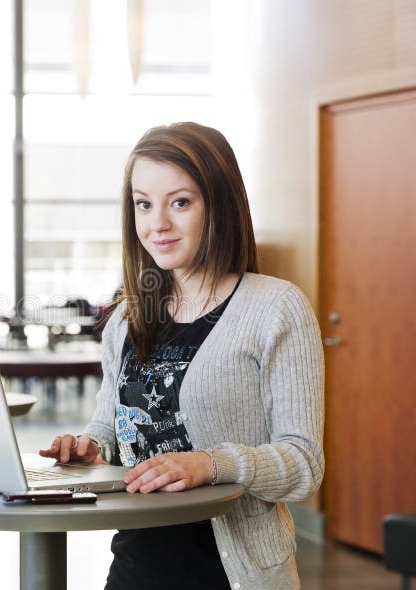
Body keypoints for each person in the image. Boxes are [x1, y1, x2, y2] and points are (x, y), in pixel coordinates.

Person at [40, 122, 324, 590]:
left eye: (181, 202)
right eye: (143, 204)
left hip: (230, 573)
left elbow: (304, 464)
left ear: (220, 203)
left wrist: (211, 464)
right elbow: (111, 427)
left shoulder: (275, 307)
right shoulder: (128, 316)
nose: (157, 224)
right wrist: (89, 448)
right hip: (137, 565)